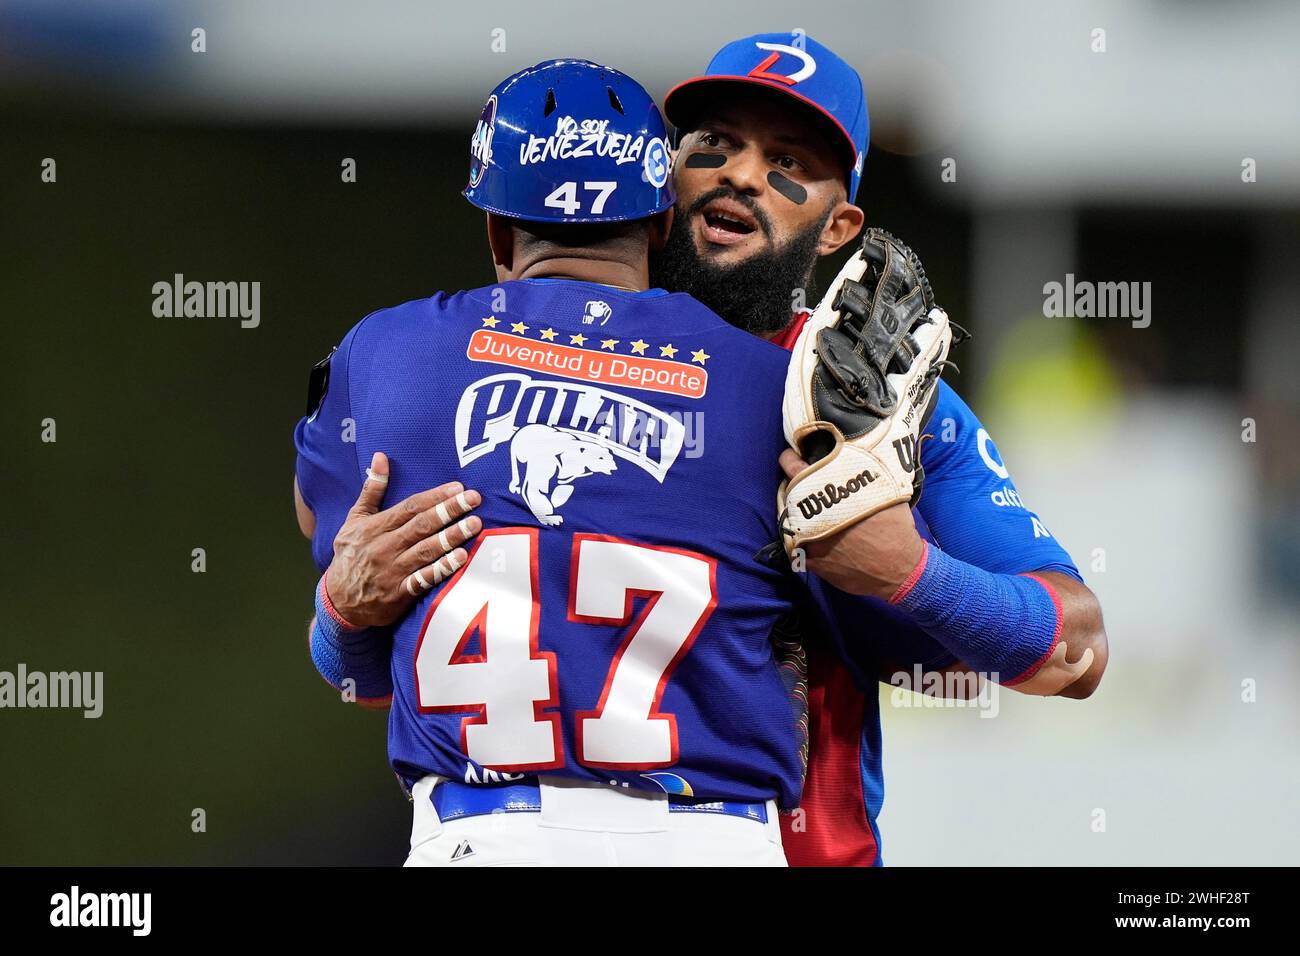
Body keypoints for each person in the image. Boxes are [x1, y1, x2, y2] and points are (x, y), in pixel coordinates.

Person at [311, 33, 1110, 867]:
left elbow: (1078, 652)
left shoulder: (889, 405)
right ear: (660, 177)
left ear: (840, 226)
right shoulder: (485, 349)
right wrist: (342, 604)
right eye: (714, 145)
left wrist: (908, 571)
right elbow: (363, 671)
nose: (740, 174)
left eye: (787, 160)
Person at [294, 59, 806, 866]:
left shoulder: (388, 353)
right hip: (713, 838)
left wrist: (340, 610)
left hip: (485, 832)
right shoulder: (774, 386)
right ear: (662, 225)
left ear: (498, 229)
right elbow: (893, 623)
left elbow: (357, 666)